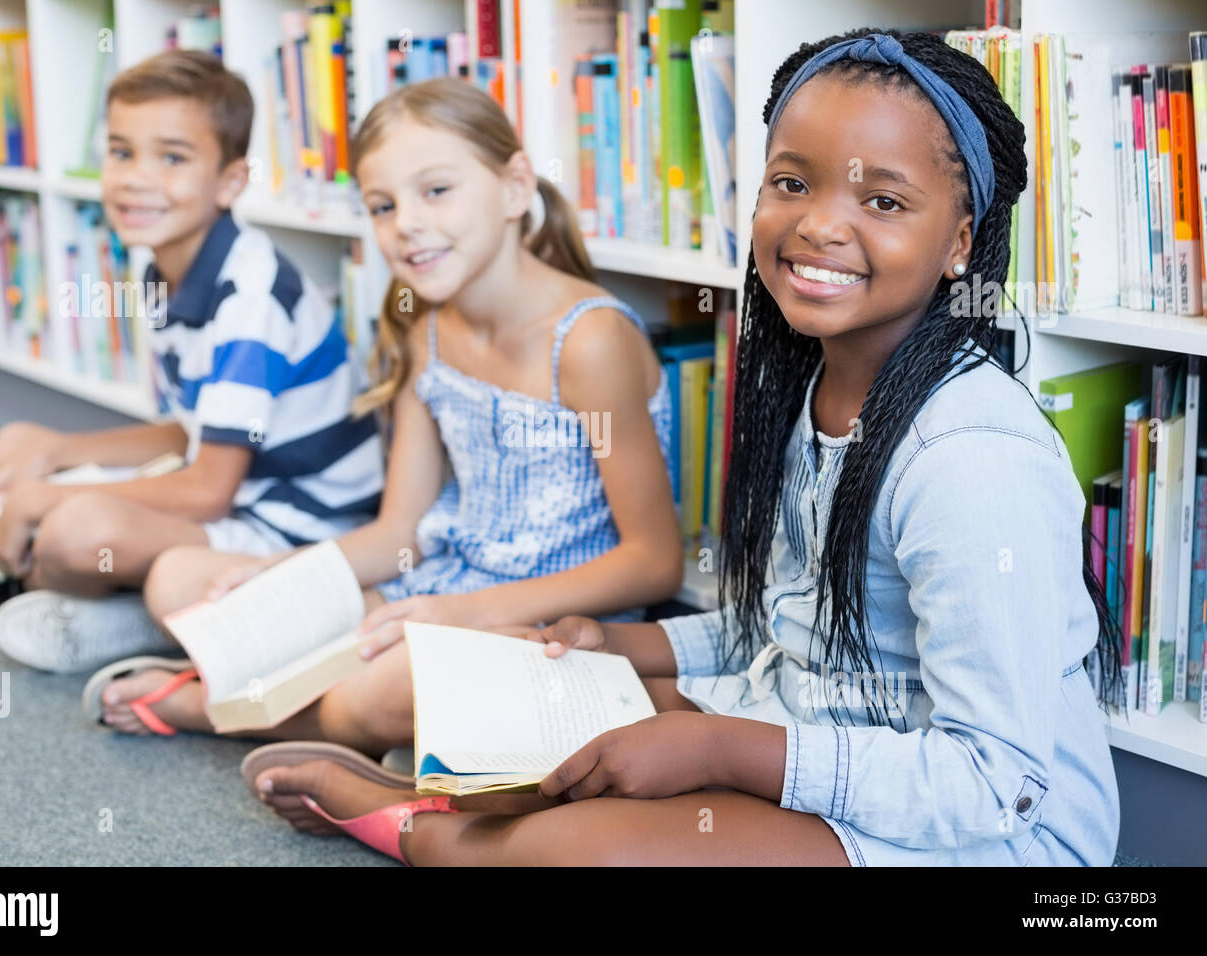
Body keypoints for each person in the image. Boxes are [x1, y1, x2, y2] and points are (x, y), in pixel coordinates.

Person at [243, 30, 1124, 867]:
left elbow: (995, 784)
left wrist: (716, 748)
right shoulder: (817, 388)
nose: (819, 226)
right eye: (791, 184)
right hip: (823, 731)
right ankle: (446, 805)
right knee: (563, 733)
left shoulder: (971, 456)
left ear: (961, 242)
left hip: (992, 839)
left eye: (883, 201)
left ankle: (418, 829)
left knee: (593, 850)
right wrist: (623, 648)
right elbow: (791, 636)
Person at [89, 77, 682, 742]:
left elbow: (654, 561)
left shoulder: (590, 339)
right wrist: (280, 575)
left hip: (554, 619)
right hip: (439, 582)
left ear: (515, 187)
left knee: (386, 684)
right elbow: (398, 532)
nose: (406, 226)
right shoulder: (423, 334)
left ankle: (202, 706)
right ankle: (338, 714)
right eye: (381, 205)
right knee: (184, 579)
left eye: (436, 191)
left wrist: (465, 613)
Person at [0, 50, 383, 674]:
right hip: (228, 484)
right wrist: (53, 457)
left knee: (76, 532)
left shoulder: (251, 297)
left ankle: (130, 617)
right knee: (19, 441)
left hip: (290, 525)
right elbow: (193, 427)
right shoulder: (162, 265)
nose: (137, 178)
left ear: (229, 181)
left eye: (172, 158)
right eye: (122, 152)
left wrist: (43, 502)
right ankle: (51, 573)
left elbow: (209, 489)